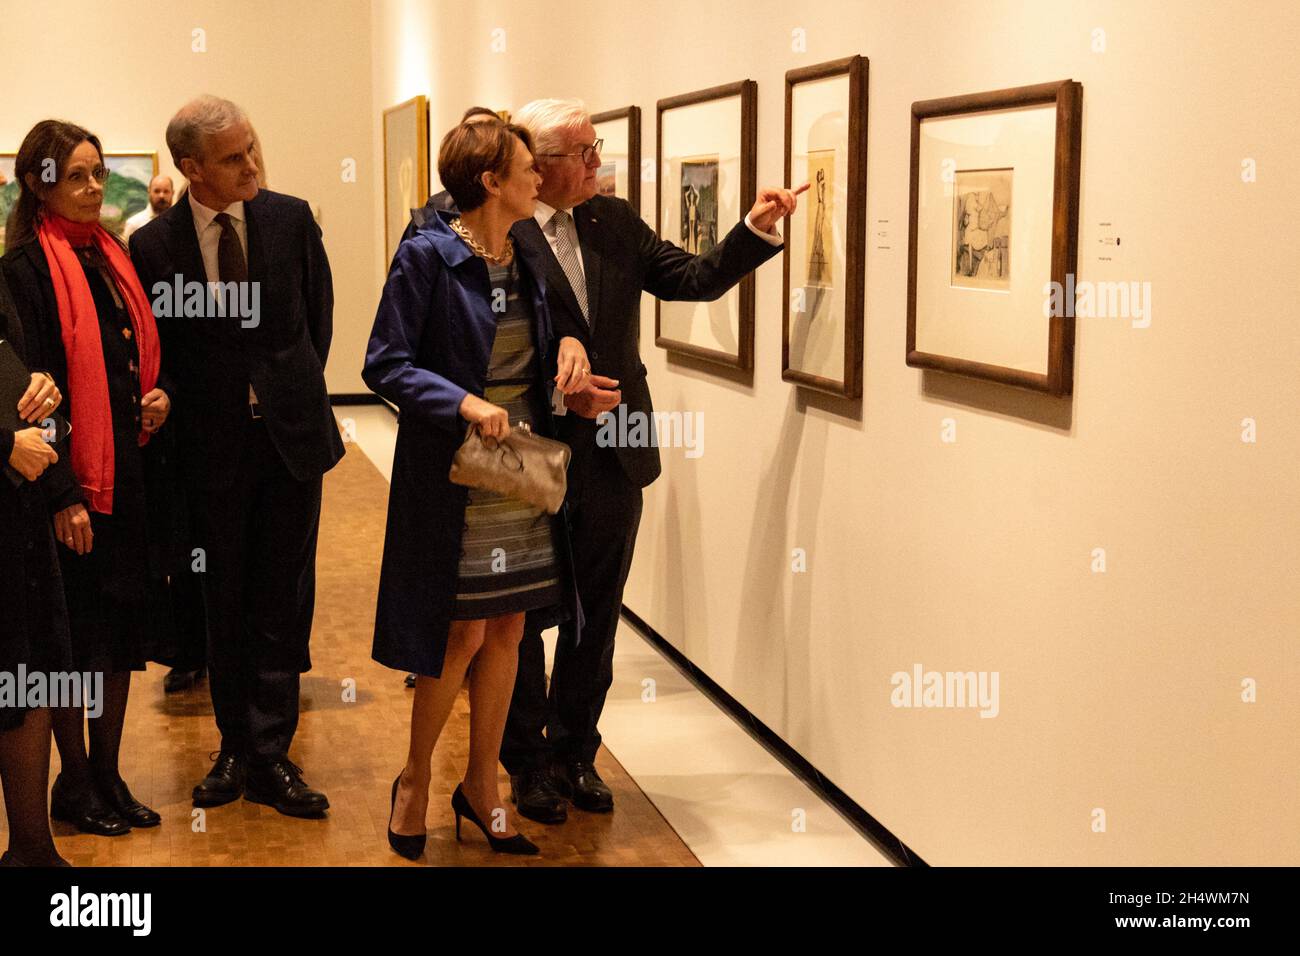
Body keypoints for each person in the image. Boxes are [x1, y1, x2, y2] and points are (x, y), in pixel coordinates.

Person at [499, 98, 802, 824]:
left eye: (597, 149)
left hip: (614, 453)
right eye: (585, 153)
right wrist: (554, 391)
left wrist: (754, 229)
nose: (599, 165)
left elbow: (692, 277)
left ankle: (576, 753)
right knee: (523, 617)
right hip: (531, 448)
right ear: (538, 168)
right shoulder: (499, 231)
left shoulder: (612, 218)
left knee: (596, 613)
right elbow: (487, 346)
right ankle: (527, 763)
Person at [364, 119, 591, 858]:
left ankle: (483, 787)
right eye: (527, 169)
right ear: (491, 183)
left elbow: (554, 337)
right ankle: (415, 780)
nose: (538, 180)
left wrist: (573, 366)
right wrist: (463, 402)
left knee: (509, 631)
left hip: (519, 470)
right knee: (457, 632)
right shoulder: (427, 256)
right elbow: (385, 363)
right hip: (458, 473)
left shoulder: (527, 251)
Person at [130, 95, 344, 818]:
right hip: (207, 453)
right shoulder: (155, 246)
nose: (252, 164)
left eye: (253, 147)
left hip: (287, 442)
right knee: (221, 602)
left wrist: (281, 395)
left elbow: (317, 322)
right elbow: (161, 350)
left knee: (280, 599)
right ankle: (230, 747)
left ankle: (271, 754)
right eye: (232, 157)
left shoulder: (290, 217)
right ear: (191, 169)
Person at [3, 119, 170, 837]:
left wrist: (155, 397)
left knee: (120, 635)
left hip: (127, 473)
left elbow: (126, 363)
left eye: (98, 172)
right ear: (41, 187)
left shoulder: (111, 257)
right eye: (76, 175)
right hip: (69, 486)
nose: (94, 186)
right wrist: (62, 494)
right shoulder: (22, 273)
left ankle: (106, 771)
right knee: (74, 641)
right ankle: (75, 781)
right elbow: (29, 396)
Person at [0, 268, 72, 866]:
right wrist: (3, 445)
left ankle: (32, 849)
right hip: (8, 466)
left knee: (30, 667)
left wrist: (37, 383)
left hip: (17, 500)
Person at [122, 175, 174, 241]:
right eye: (157, 191)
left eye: (166, 191)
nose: (161, 196)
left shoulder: (180, 222)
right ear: (149, 192)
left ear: (173, 193)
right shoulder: (133, 224)